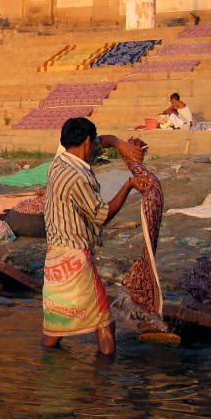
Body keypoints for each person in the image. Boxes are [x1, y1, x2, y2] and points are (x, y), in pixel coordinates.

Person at [42, 118, 152, 356]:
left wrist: (118, 143)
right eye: (94, 143)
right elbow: (101, 216)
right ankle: (102, 387)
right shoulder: (76, 177)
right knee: (105, 325)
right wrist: (129, 185)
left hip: (54, 259)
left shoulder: (59, 161)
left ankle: (47, 372)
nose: (96, 149)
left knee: (55, 328)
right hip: (74, 261)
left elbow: (98, 143)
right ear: (87, 142)